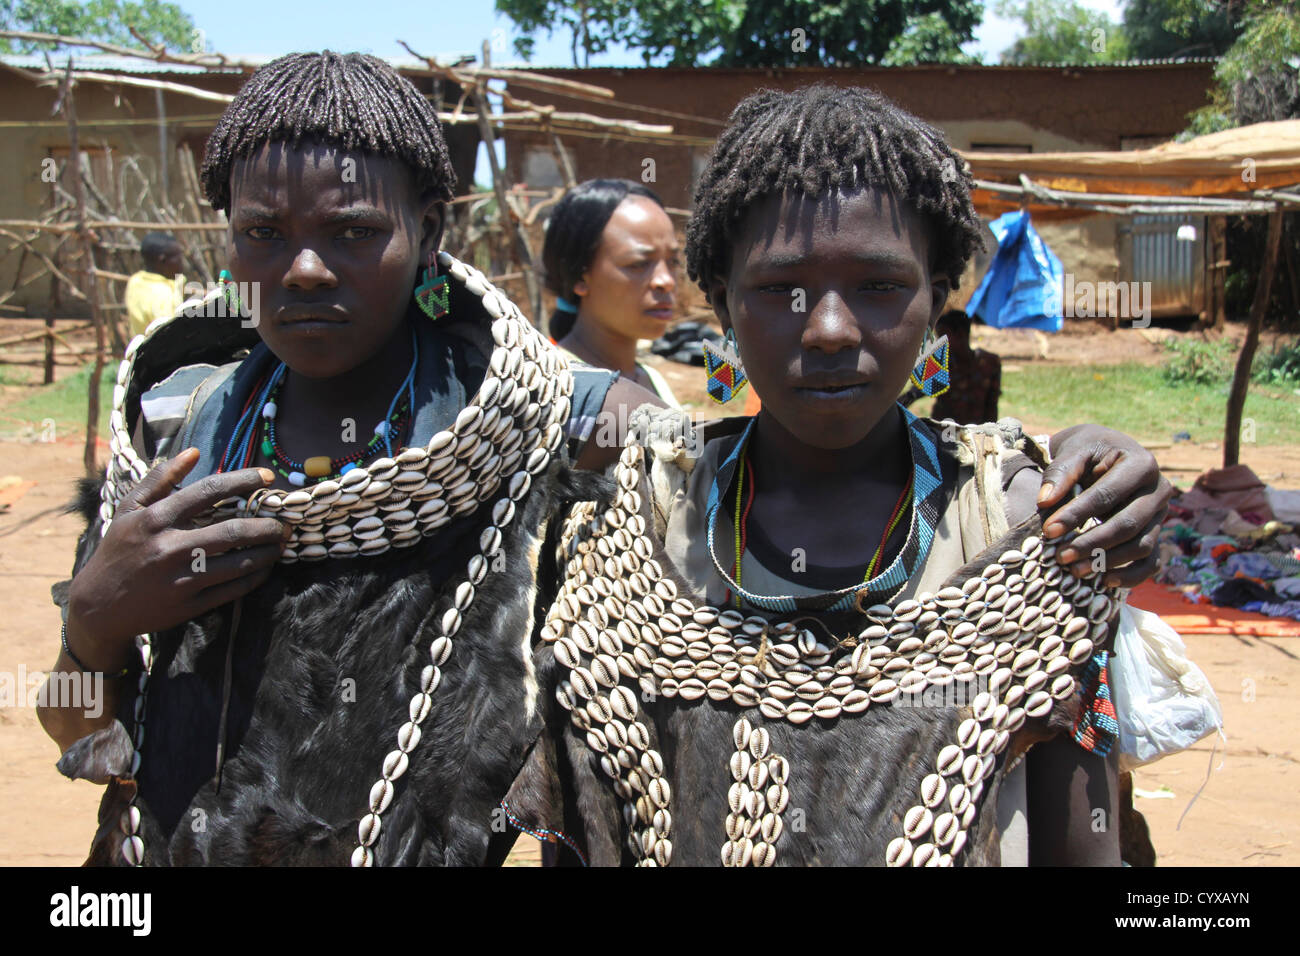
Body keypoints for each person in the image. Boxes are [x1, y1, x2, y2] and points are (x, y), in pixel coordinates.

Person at [507, 86, 1173, 867]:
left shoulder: (1029, 526)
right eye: (782, 290)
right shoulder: (626, 529)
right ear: (721, 302)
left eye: (880, 286)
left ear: (937, 299)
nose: (829, 329)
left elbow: (1083, 853)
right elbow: (584, 840)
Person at [36, 51, 650, 867]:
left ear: (429, 229)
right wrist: (95, 624)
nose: (304, 270)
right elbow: (73, 726)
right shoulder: (178, 431)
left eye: (354, 231)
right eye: (262, 234)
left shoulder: (559, 432)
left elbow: (621, 765)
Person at [542, 179, 681, 407]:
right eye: (639, 263)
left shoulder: (650, 379)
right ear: (579, 276)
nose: (666, 281)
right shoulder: (556, 390)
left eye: (673, 261)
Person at [929, 308, 1002, 425]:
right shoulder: (940, 364)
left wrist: (990, 433)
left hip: (975, 433)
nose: (939, 342)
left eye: (943, 336)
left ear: (961, 334)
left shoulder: (989, 363)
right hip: (944, 432)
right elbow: (918, 392)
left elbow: (992, 404)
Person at [124, 232, 184, 340]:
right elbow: (172, 337)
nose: (181, 262)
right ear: (163, 261)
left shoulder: (135, 281)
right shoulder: (164, 295)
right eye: (178, 257)